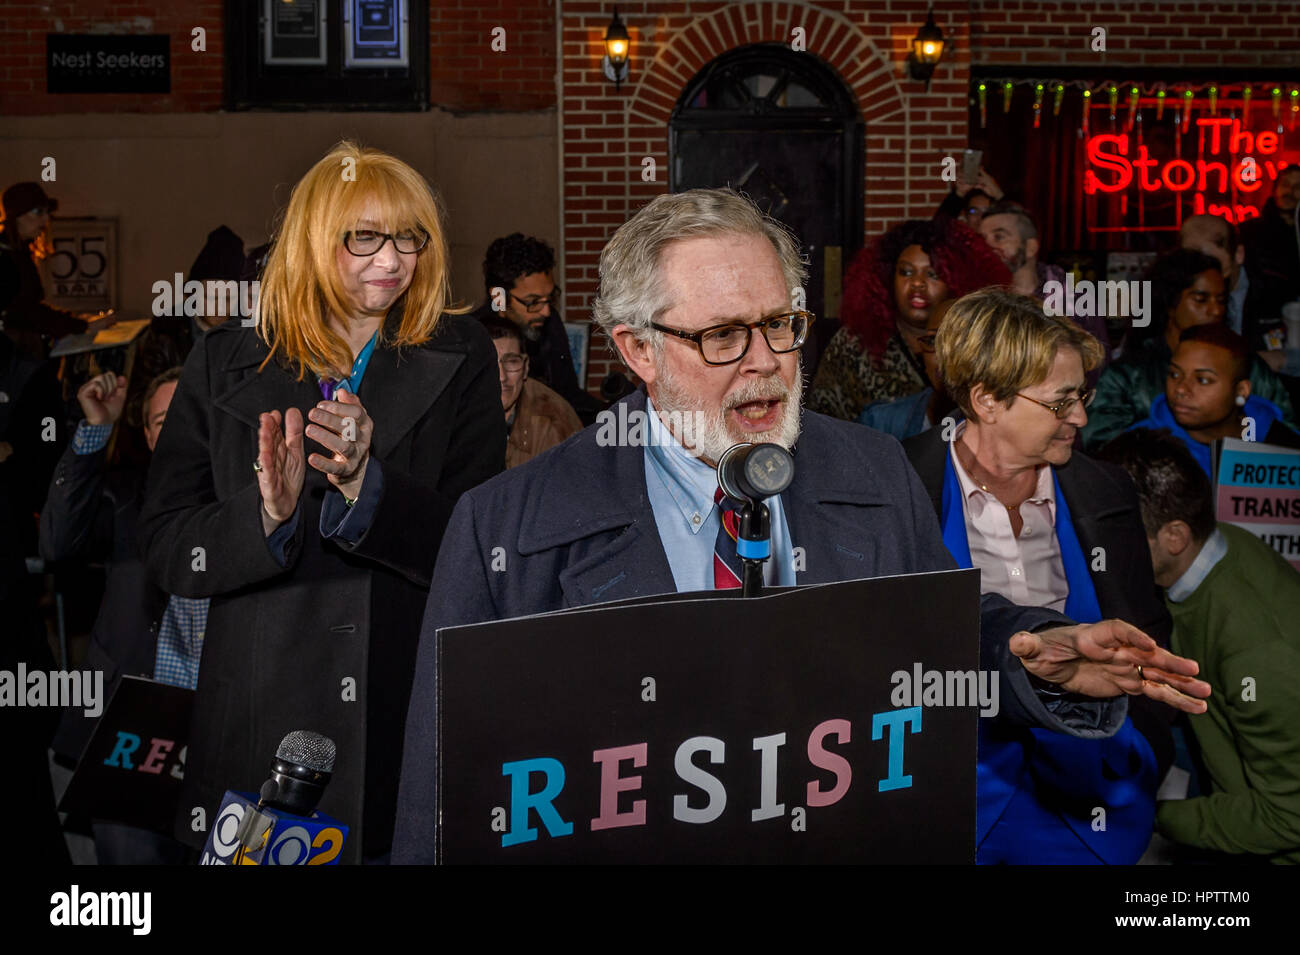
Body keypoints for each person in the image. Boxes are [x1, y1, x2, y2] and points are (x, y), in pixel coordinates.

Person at [392, 188, 1211, 863]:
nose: (764, 363)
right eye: (720, 335)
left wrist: (1034, 654)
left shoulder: (874, 473)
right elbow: (443, 805)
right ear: (636, 349)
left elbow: (935, 640)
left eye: (780, 324)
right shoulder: (506, 528)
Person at [137, 141, 505, 864]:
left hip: (402, 712)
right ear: (313, 240)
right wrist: (263, 516)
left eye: (409, 237)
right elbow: (166, 546)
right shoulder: (222, 363)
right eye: (364, 237)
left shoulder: (461, 356)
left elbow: (479, 543)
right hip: (257, 729)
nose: (391, 260)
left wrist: (369, 488)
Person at [902, 289, 1173, 863]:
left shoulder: (1104, 490)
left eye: (1083, 396)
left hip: (1091, 800)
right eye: (1060, 402)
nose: (1080, 416)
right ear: (986, 400)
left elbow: (1146, 624)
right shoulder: (897, 485)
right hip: (946, 800)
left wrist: (1142, 745)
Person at [1099, 428, 1300, 863]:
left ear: (1174, 536)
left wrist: (1157, 817)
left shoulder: (1258, 652)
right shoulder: (1221, 544)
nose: (1105, 548)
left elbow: (1288, 816)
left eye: (1121, 533)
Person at [42, 367, 191, 864]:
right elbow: (59, 542)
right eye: (159, 421)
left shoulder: (254, 500)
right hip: (129, 732)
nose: (171, 431)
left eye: (185, 416)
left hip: (218, 725)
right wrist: (95, 430)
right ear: (146, 436)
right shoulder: (123, 497)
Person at [1081, 250, 1296, 451]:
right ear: (1170, 302)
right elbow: (1104, 449)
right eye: (1201, 299)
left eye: (1221, 300)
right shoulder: (1129, 375)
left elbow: (1286, 435)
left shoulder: (1245, 364)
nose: (1215, 310)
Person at [808, 217, 1010, 421]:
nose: (917, 283)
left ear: (956, 282)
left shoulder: (978, 343)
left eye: (932, 274)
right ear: (887, 277)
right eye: (906, 272)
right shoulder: (854, 344)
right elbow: (823, 419)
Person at [1130, 324, 1300, 476]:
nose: (1180, 388)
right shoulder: (1138, 450)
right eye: (1175, 374)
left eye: (1203, 380)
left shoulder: (1281, 445)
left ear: (1241, 391)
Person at [469, 233, 603, 424]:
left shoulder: (548, 322)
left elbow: (568, 394)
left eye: (549, 298)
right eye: (533, 302)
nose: (546, 311)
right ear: (499, 297)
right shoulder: (472, 337)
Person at [977, 200, 1110, 376]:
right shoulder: (978, 302)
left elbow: (1099, 365)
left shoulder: (1073, 301)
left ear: (1031, 247)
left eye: (999, 237)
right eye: (982, 240)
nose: (987, 248)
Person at [0, 182, 92, 359]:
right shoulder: (7, 257)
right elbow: (26, 313)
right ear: (17, 216)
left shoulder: (18, 253)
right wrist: (80, 325)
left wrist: (76, 322)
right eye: (38, 212)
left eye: (46, 212)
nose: (45, 220)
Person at [481, 312, 582, 468]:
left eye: (512, 361)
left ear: (526, 366)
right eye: (490, 363)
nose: (501, 377)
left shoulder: (554, 423)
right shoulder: (454, 409)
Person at [1180, 213, 1289, 355]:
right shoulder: (1172, 294)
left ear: (1238, 254)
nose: (1201, 271)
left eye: (1212, 262)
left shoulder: (1279, 290)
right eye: (1189, 261)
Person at [855, 298, 959, 441]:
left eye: (960, 343)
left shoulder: (997, 429)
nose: (944, 354)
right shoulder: (881, 423)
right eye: (933, 341)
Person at [1240, 165, 1300, 307]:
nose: (1289, 192)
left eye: (1298, 187)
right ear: (1275, 189)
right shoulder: (1248, 231)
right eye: (1285, 184)